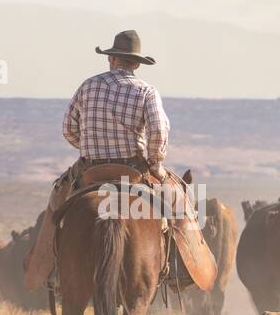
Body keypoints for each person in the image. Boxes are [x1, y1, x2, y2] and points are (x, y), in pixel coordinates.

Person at [23, 29, 170, 290]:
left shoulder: (89, 85)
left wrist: (90, 146)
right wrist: (155, 163)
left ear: (111, 59)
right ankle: (171, 268)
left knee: (59, 201)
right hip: (132, 170)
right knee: (174, 205)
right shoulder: (147, 91)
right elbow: (158, 130)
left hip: (90, 169)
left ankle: (51, 266)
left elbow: (68, 127)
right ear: (136, 64)